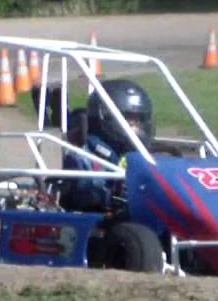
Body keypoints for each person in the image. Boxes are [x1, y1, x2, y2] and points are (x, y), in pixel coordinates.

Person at [59, 79, 155, 212]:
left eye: (138, 120)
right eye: (129, 119)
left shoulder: (138, 153)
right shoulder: (85, 155)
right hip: (99, 222)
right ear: (106, 117)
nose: (136, 127)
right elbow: (88, 194)